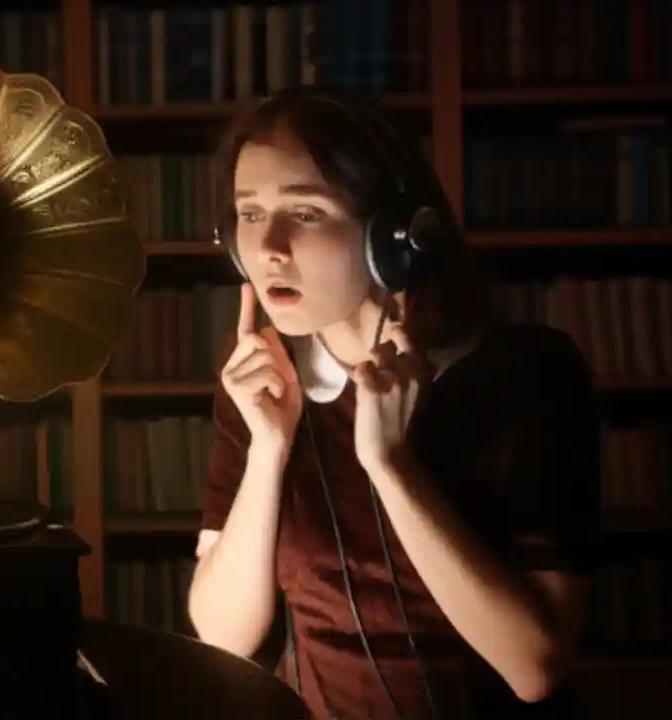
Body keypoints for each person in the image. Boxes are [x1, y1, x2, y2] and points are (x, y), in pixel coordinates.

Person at [187, 87, 601, 720]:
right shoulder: (261, 381)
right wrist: (268, 450)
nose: (268, 246)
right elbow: (222, 638)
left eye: (305, 213)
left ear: (394, 236)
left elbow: (534, 667)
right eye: (248, 215)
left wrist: (391, 464)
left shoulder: (526, 374)